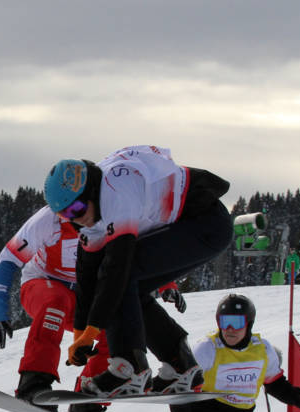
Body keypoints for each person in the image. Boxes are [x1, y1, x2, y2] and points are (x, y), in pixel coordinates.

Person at [43, 145, 233, 398]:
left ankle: (129, 369)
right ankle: (180, 364)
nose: (76, 220)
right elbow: (86, 275)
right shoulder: (90, 211)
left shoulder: (117, 192)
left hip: (206, 223)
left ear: (90, 190)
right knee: (129, 289)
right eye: (66, 215)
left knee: (122, 276)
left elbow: (117, 269)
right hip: (194, 225)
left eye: (76, 210)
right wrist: (80, 332)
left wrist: (93, 329)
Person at [0, 205, 116, 412]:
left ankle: (89, 400)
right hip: (42, 284)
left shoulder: (116, 213)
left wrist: (165, 285)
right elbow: (8, 259)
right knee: (55, 301)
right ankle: (33, 384)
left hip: (83, 297)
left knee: (114, 326)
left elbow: (140, 254)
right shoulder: (49, 219)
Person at [170, 294, 300, 412]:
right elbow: (181, 383)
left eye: (236, 323)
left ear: (249, 324)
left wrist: (299, 401)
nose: (229, 329)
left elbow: (276, 384)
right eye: (224, 322)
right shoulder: (208, 348)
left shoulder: (263, 349)